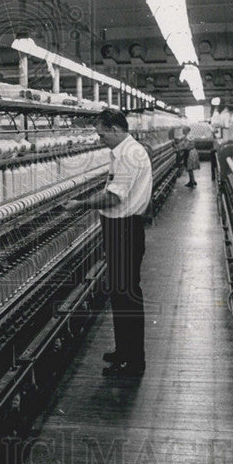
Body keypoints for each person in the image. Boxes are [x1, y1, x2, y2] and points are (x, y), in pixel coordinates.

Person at [63, 109, 152, 376]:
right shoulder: (123, 153)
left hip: (124, 229)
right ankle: (125, 351)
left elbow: (114, 198)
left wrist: (81, 204)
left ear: (115, 129)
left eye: (102, 134)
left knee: (126, 296)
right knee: (120, 294)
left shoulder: (128, 154)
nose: (100, 139)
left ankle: (133, 361)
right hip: (119, 228)